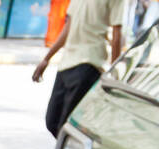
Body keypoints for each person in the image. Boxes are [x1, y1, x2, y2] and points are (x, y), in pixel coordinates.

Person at [33, 0, 121, 137]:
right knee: (52, 122)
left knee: (67, 127)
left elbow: (117, 35)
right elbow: (68, 27)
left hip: (90, 63)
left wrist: (115, 72)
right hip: (67, 63)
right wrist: (46, 58)